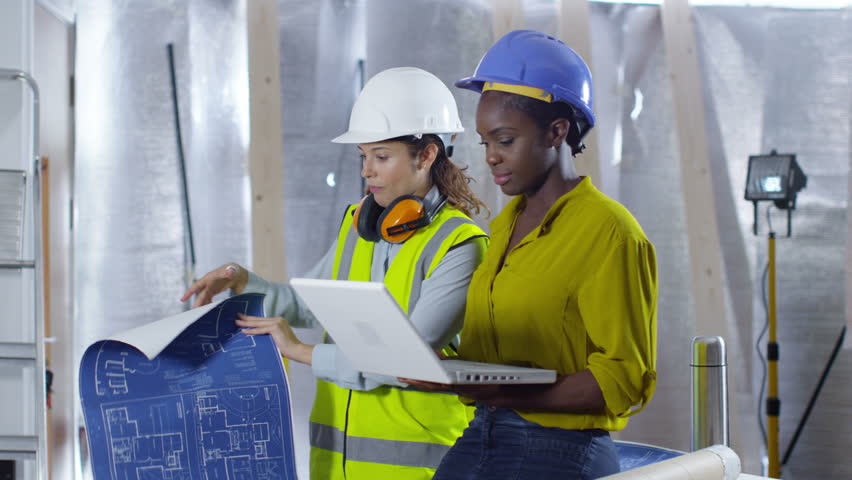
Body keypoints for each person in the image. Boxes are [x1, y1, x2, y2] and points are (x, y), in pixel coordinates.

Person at [181, 67, 489, 480]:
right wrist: (242, 281)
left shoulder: (460, 245)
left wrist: (301, 352)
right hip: (334, 468)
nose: (367, 171)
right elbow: (309, 306)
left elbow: (405, 359)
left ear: (427, 154)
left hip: (420, 471)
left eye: (381, 156)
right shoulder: (358, 224)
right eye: (363, 157)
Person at [405, 30, 658, 480]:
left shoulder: (609, 232)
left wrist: (506, 394)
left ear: (557, 132)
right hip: (483, 431)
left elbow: (623, 378)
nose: (492, 159)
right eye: (485, 143)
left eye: (505, 140)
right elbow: (494, 355)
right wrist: (445, 371)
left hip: (560, 446)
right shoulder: (504, 227)